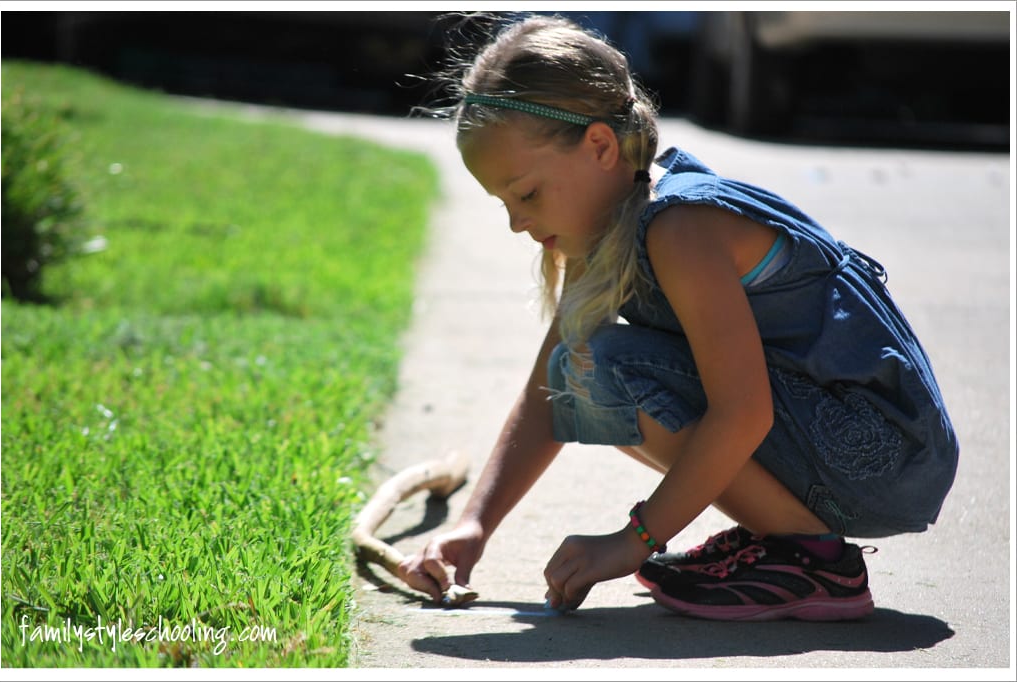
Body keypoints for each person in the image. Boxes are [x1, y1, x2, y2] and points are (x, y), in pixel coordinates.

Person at [399, 14, 959, 621]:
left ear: (600, 146)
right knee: (580, 368)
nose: (517, 222)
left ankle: (815, 561)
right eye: (503, 203)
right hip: (844, 443)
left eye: (527, 193)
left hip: (883, 456)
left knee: (601, 369)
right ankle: (783, 535)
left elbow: (743, 413)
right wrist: (474, 526)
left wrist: (632, 541)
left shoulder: (679, 227)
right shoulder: (608, 220)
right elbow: (549, 387)